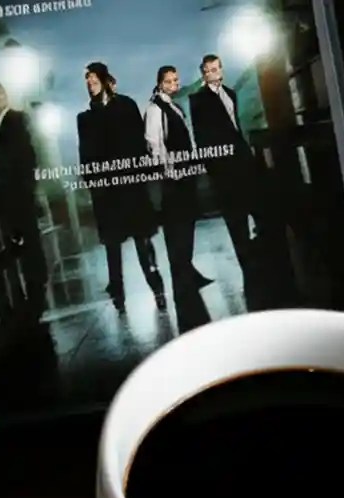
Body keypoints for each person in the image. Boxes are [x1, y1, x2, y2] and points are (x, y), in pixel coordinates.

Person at [76, 62, 165, 311]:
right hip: (106, 191)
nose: (90, 84)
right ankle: (118, 291)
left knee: (142, 239)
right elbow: (85, 155)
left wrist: (141, 174)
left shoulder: (126, 106)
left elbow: (138, 142)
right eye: (88, 81)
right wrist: (94, 183)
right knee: (112, 245)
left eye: (93, 80)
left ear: (105, 80)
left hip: (130, 186)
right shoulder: (85, 118)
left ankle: (155, 284)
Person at [189, 53, 262, 269]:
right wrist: (211, 166)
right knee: (233, 213)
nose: (212, 73)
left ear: (221, 70)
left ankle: (257, 249)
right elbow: (200, 135)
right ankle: (244, 257)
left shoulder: (231, 93)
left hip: (241, 157)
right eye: (207, 70)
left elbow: (235, 126)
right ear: (203, 73)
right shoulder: (198, 99)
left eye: (215, 69)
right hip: (221, 164)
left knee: (253, 202)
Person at [144, 65, 212, 292]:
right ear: (161, 83)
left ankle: (186, 270)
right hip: (174, 175)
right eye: (170, 81)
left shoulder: (174, 105)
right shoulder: (156, 108)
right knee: (178, 225)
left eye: (176, 80)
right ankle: (182, 274)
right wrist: (169, 170)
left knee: (187, 222)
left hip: (185, 171)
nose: (175, 84)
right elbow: (154, 143)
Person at [0, 82, 41, 250]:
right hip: (4, 192)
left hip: (21, 188)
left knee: (29, 235)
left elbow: (27, 154)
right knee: (15, 237)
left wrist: (29, 185)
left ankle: (37, 276)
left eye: (0, 95)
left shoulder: (18, 118)